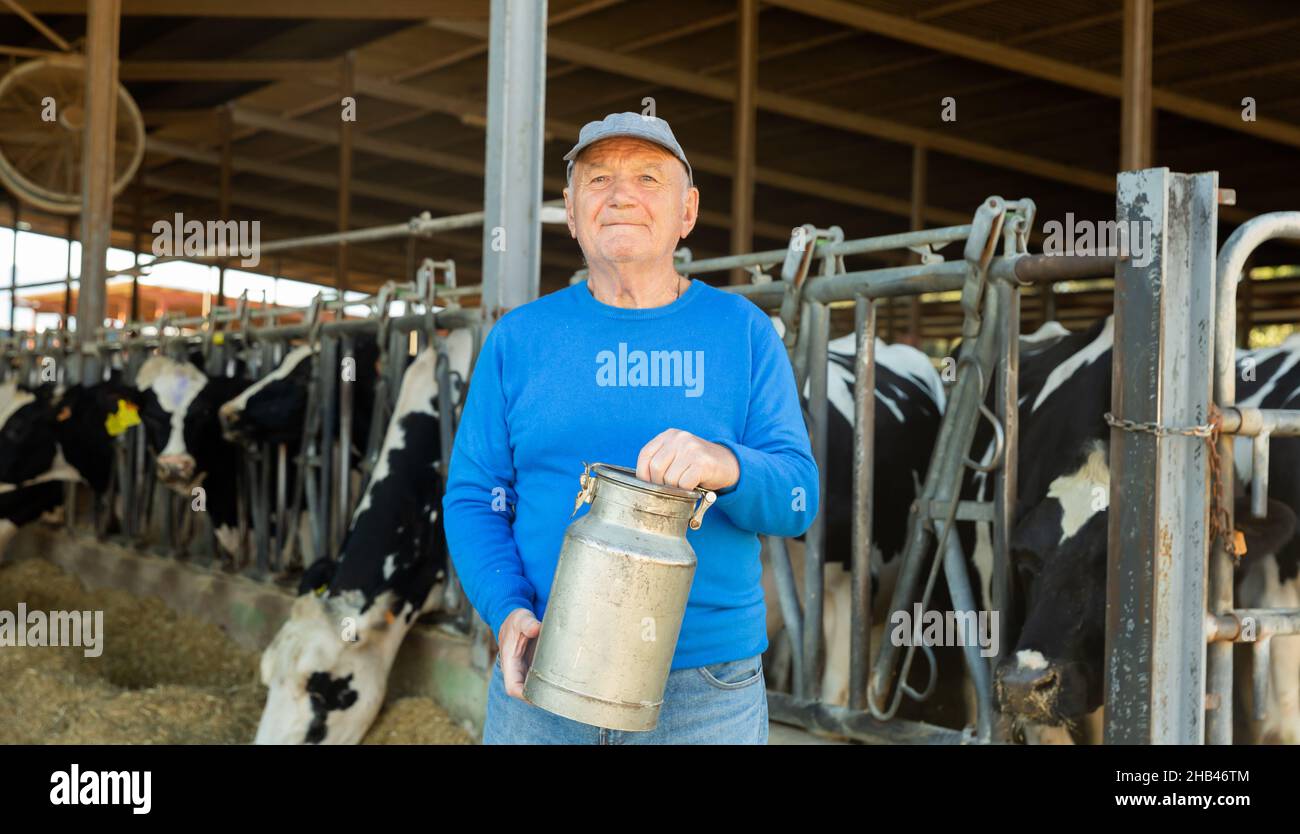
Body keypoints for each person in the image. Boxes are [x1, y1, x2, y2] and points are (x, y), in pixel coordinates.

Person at [442, 112, 818, 744]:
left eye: (648, 177)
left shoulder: (743, 331)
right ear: (570, 208)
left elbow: (798, 500)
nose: (620, 194)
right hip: (542, 677)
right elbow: (474, 498)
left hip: (703, 693)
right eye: (598, 179)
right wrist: (506, 611)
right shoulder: (519, 339)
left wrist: (726, 465)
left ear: (687, 211)